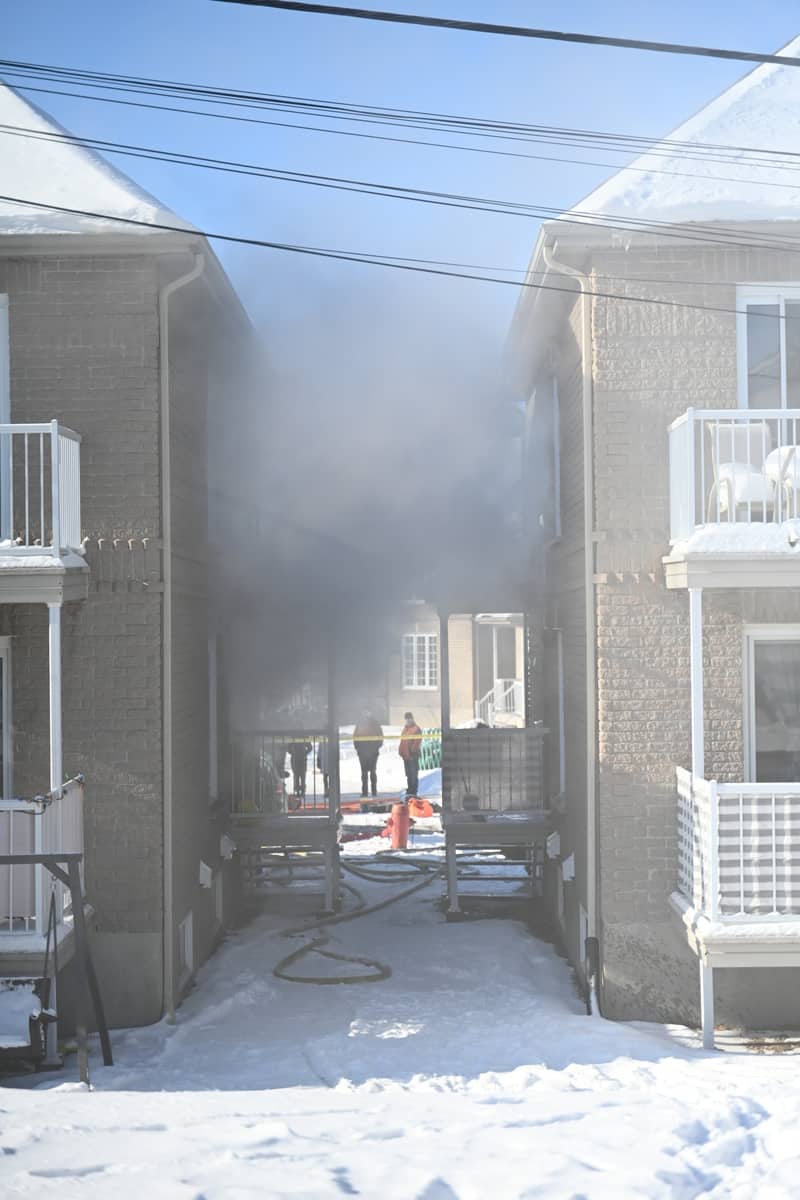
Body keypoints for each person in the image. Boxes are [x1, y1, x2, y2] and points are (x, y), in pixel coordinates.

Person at [353, 710, 383, 798]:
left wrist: (377, 747)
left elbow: (380, 736)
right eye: (365, 712)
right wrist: (358, 748)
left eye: (368, 712)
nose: (366, 714)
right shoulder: (359, 723)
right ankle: (365, 792)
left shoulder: (375, 723)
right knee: (364, 772)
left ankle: (374, 791)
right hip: (362, 751)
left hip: (373, 751)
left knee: (372, 771)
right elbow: (355, 737)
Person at [398, 711, 423, 797]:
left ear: (412, 719)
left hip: (412, 756)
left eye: (409, 718)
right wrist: (401, 751)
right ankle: (409, 791)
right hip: (406, 756)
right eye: (406, 719)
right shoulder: (405, 729)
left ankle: (413, 792)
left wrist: (413, 752)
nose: (408, 720)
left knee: (413, 775)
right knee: (409, 775)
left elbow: (417, 741)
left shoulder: (416, 729)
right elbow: (402, 741)